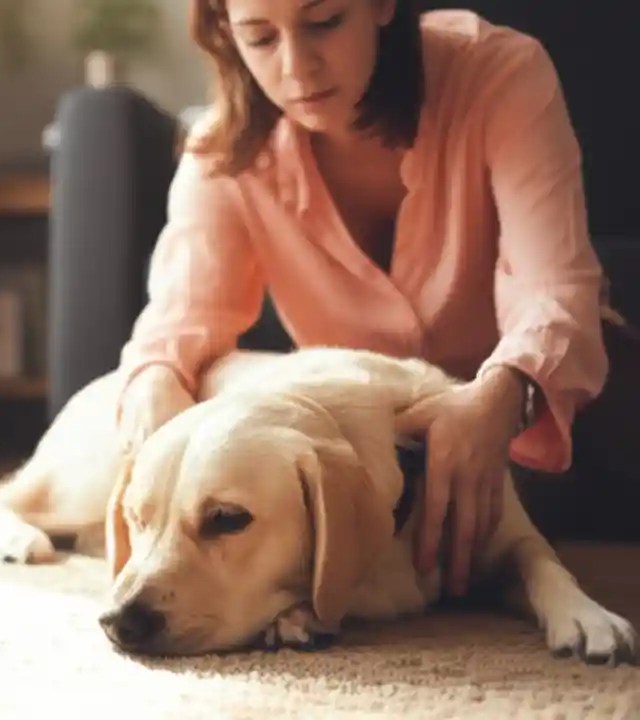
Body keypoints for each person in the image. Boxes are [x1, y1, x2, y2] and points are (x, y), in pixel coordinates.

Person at [114, 0, 609, 599]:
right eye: (261, 38)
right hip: (363, 460)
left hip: (533, 430)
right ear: (226, 32)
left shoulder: (499, 74)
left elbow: (554, 287)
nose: (297, 68)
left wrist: (503, 395)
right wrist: (156, 382)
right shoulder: (224, 150)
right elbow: (179, 324)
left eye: (324, 22)